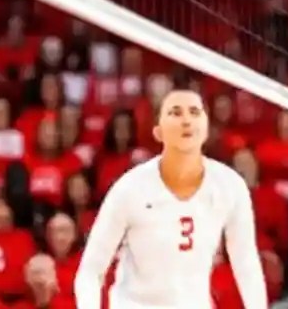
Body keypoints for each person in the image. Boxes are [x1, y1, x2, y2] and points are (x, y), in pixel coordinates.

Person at [75, 87, 268, 309]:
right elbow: (90, 271)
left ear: (206, 129)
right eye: (175, 112)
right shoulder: (129, 188)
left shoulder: (230, 186)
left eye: (195, 112)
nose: (186, 120)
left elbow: (246, 264)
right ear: (158, 131)